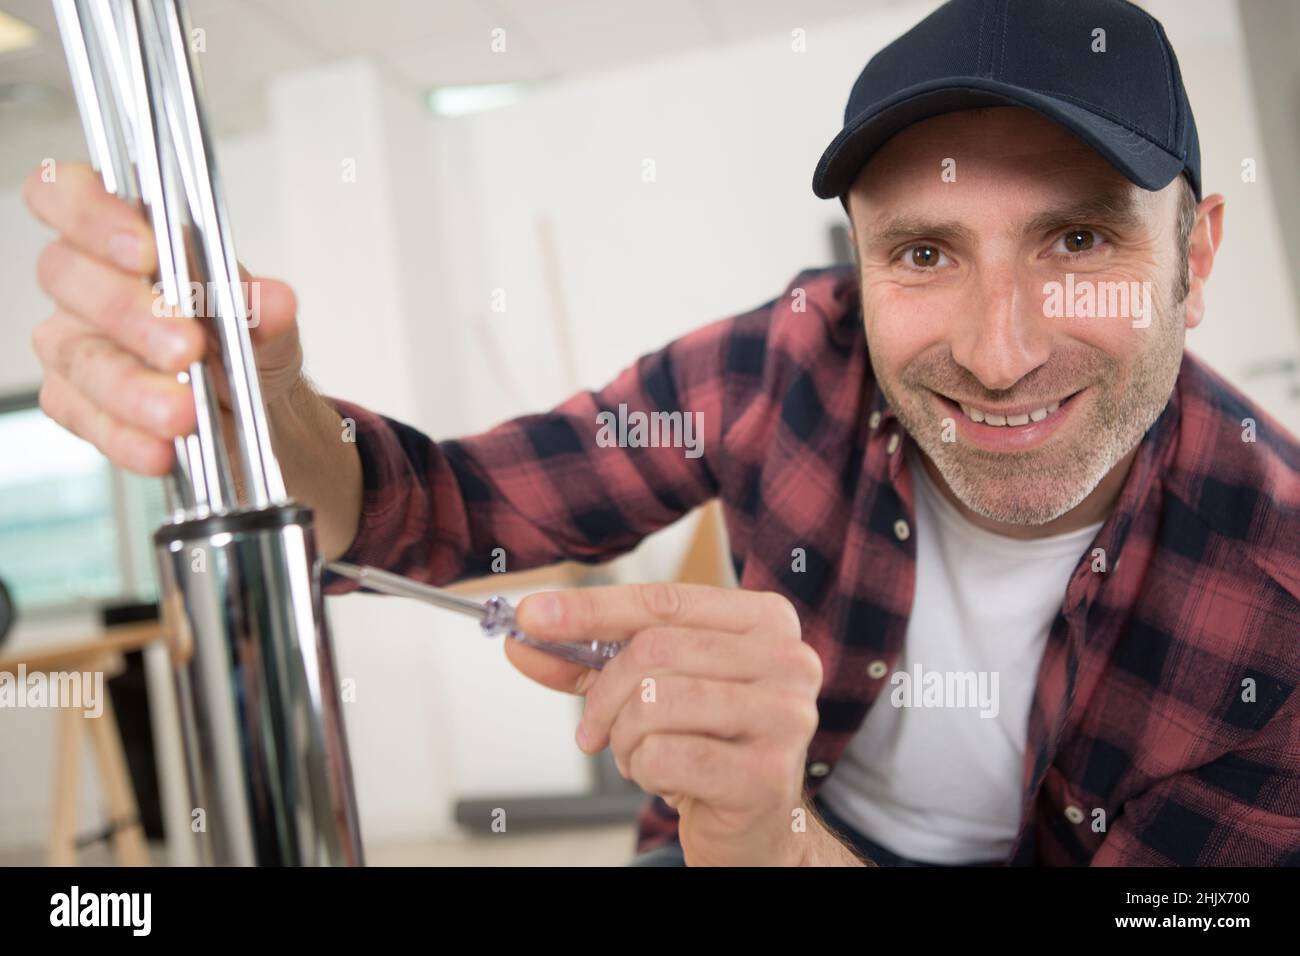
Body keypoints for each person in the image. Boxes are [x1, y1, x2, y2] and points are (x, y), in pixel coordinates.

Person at [24, 0, 1299, 866]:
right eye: (922, 251)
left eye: (1077, 240)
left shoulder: (1279, 598)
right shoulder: (784, 360)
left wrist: (774, 836)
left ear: (1194, 259)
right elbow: (454, 511)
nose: (1000, 348)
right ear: (856, 267)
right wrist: (258, 409)